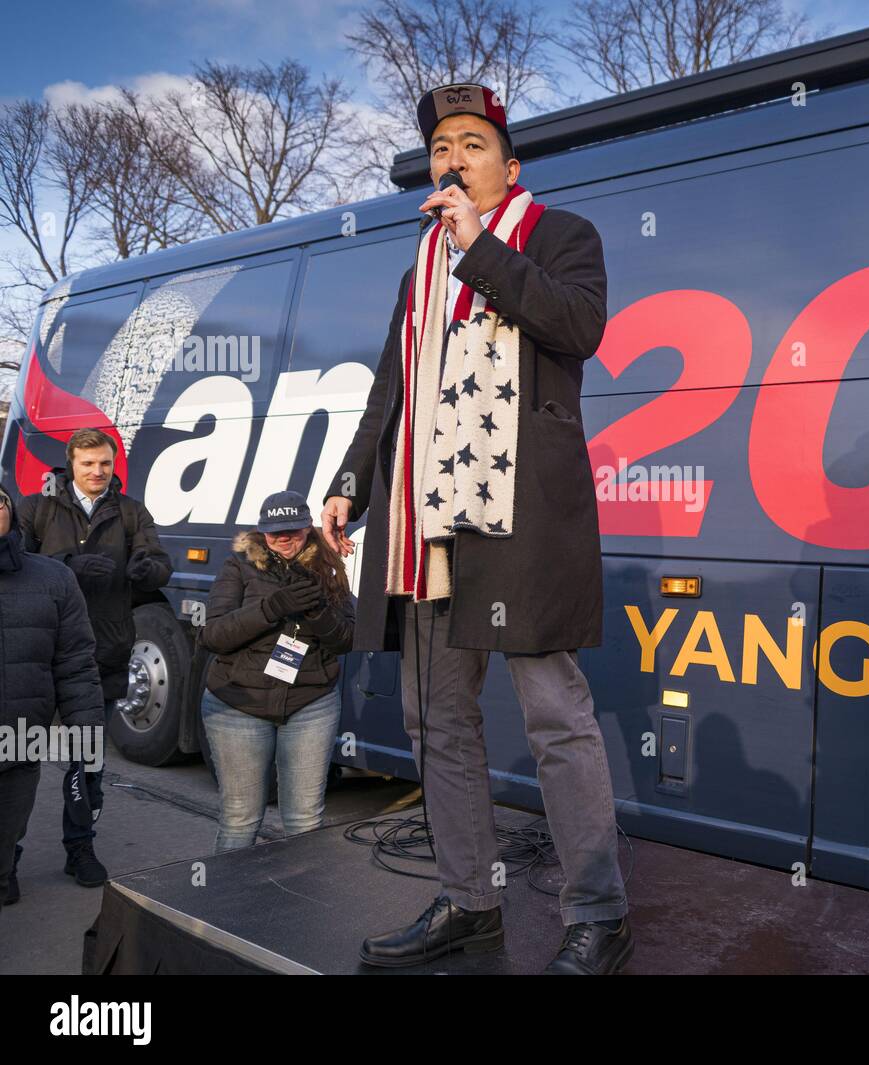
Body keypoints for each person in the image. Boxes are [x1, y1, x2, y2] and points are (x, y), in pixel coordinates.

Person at [320, 82, 631, 974]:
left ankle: (599, 915)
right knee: (437, 720)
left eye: (472, 144)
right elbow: (391, 388)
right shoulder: (419, 263)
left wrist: (479, 247)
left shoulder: (559, 235)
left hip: (518, 514)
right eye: (440, 147)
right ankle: (469, 902)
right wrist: (349, 485)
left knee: (554, 716)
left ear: (510, 166)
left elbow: (579, 326)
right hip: (425, 518)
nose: (452, 159)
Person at [13, 428, 172, 889]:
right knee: (19, 759)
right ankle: (8, 858)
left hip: (99, 656)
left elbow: (160, 561)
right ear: (71, 465)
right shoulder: (37, 507)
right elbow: (12, 561)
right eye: (88, 463)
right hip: (35, 655)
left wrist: (147, 569)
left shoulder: (131, 511)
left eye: (105, 463)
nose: (97, 471)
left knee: (86, 762)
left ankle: (80, 847)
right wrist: (66, 565)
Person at [198, 491, 354, 851]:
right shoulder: (239, 564)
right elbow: (213, 636)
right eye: (274, 533)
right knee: (240, 818)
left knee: (304, 821)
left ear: (308, 527)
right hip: (238, 702)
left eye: (293, 531)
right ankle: (229, 889)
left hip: (310, 704)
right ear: (262, 531)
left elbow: (346, 640)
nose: (284, 539)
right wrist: (271, 608)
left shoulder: (330, 564)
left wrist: (318, 614)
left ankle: (302, 890)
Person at [0, 484, 105, 914]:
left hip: (18, 745)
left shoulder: (53, 579)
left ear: (10, 510)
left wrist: (87, 735)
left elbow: (75, 662)